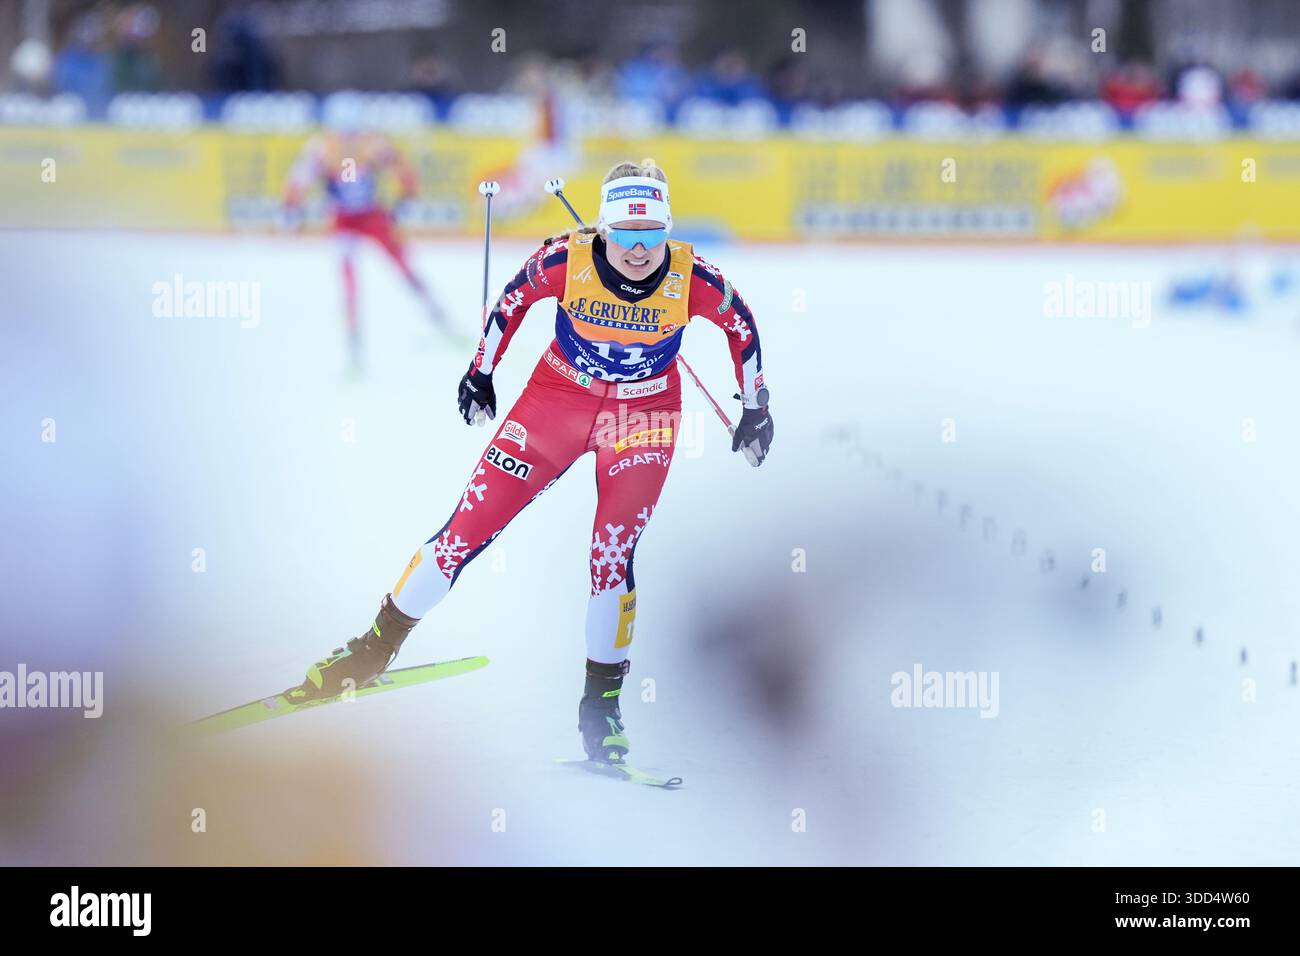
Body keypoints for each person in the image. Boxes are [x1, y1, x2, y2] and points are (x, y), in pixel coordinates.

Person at [289, 159, 774, 765]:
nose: (640, 250)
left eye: (652, 235)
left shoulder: (691, 276)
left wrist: (755, 406)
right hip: (557, 400)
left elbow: (741, 327)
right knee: (467, 526)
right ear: (604, 231)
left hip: (644, 415)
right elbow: (510, 303)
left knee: (612, 554)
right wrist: (480, 372)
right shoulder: (564, 260)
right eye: (626, 235)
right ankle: (372, 647)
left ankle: (601, 708)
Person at [284, 116, 452, 373]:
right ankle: (354, 345)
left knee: (403, 267)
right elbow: (299, 180)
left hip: (371, 216)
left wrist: (406, 197)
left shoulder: (367, 144)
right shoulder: (323, 147)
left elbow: (402, 169)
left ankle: (439, 319)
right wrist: (292, 207)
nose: (348, 141)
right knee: (349, 278)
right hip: (344, 219)